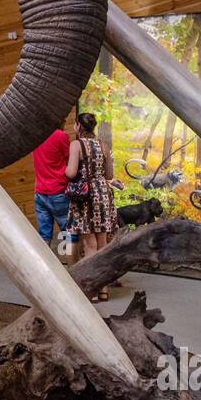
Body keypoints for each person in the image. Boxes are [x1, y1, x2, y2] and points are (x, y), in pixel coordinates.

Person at [66, 112, 119, 301]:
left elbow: (71, 172)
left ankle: (92, 290)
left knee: (89, 244)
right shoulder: (103, 146)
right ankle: (104, 289)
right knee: (103, 244)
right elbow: (109, 174)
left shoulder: (76, 145)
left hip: (85, 196)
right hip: (103, 194)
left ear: (79, 126)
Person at [31, 128, 71, 247]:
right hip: (59, 191)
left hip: (39, 192)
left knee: (44, 235)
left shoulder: (35, 136)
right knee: (67, 233)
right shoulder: (60, 136)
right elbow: (71, 158)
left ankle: (44, 265)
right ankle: (69, 264)